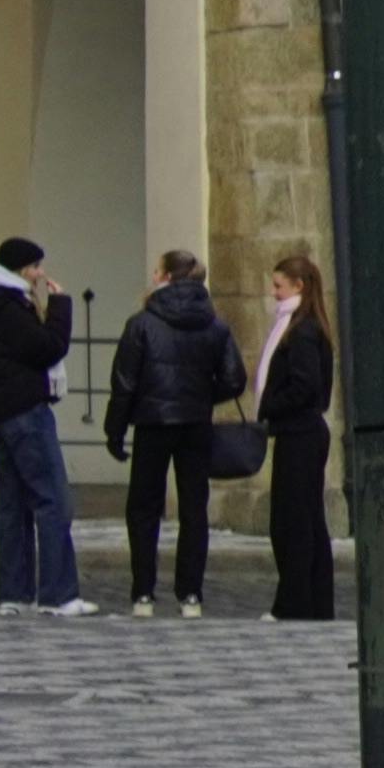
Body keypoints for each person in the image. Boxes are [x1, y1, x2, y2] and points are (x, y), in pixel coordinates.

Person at [103, 247, 243, 618]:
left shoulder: (143, 323)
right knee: (194, 508)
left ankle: (143, 593)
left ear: (165, 276)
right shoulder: (214, 324)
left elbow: (124, 382)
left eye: (157, 270)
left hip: (152, 423)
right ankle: (190, 594)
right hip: (195, 423)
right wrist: (201, 397)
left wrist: (114, 431)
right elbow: (234, 378)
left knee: (144, 508)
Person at [0, 236, 86, 614]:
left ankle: (14, 593)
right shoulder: (8, 306)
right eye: (35, 267)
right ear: (19, 269)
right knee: (52, 499)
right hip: (24, 410)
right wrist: (60, 306)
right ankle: (59, 594)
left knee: (12, 504)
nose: (40, 274)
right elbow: (47, 347)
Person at [253, 245, 338, 622]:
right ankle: (314, 602)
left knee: (293, 523)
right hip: (301, 432)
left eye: (279, 286)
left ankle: (294, 602)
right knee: (306, 520)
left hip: (300, 433)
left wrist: (270, 406)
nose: (274, 293)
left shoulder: (302, 331)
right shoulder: (304, 326)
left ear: (298, 285)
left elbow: (305, 386)